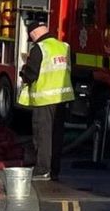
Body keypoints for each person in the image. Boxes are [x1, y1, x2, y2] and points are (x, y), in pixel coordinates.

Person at [18, 20, 74, 181]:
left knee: (43, 136)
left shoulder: (39, 49)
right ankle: (54, 171)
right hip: (62, 99)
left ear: (33, 34)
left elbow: (31, 74)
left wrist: (23, 73)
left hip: (45, 99)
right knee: (56, 136)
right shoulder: (64, 47)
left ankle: (42, 169)